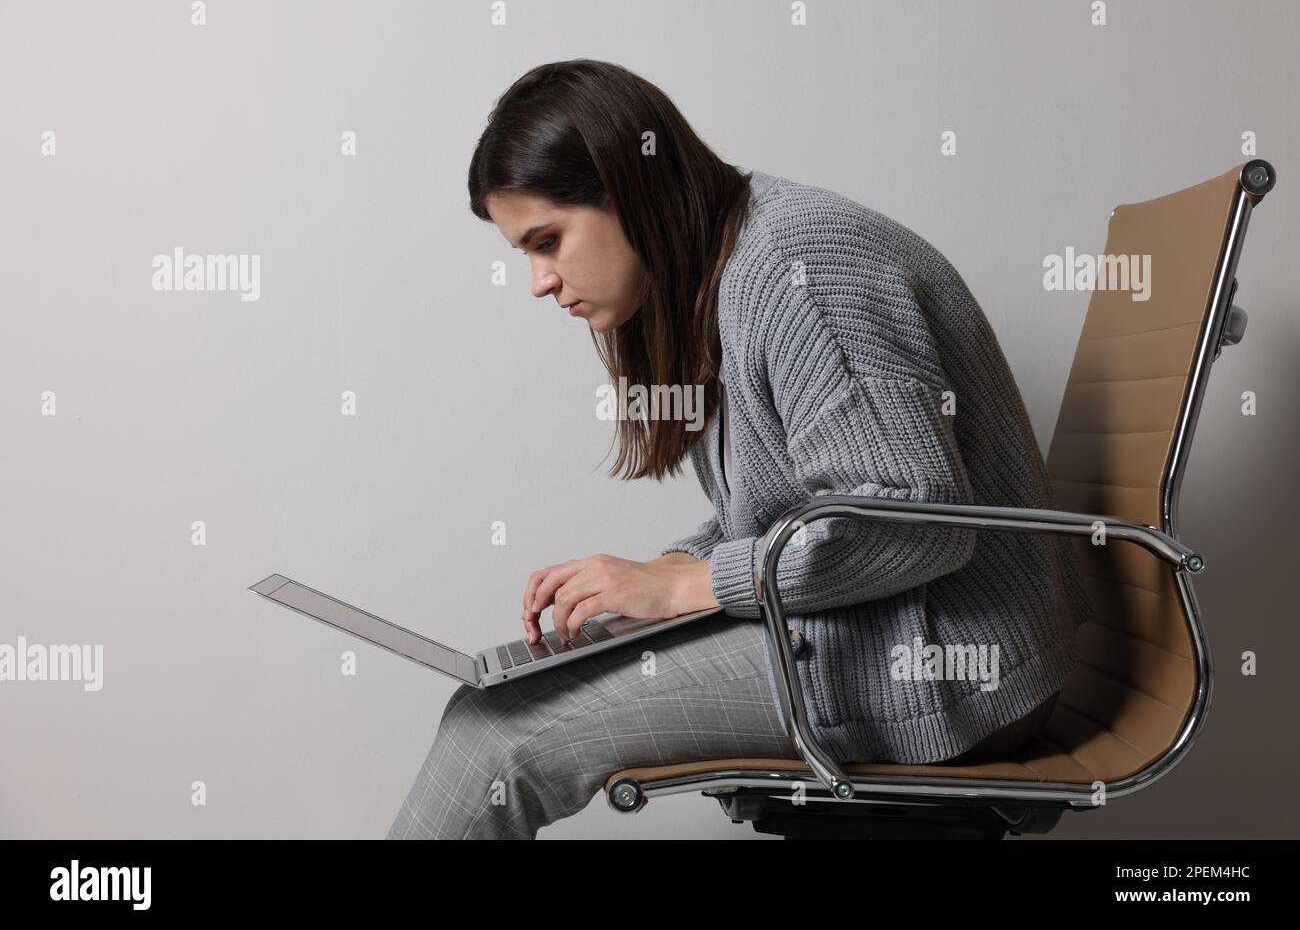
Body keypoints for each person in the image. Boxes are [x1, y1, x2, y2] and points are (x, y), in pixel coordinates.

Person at [386, 59, 1090, 839]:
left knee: (496, 734)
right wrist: (661, 576)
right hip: (869, 628)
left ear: (630, 188)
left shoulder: (802, 269)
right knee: (489, 707)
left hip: (937, 660)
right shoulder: (727, 269)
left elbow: (916, 524)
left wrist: (687, 590)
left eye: (547, 240)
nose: (538, 281)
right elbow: (794, 511)